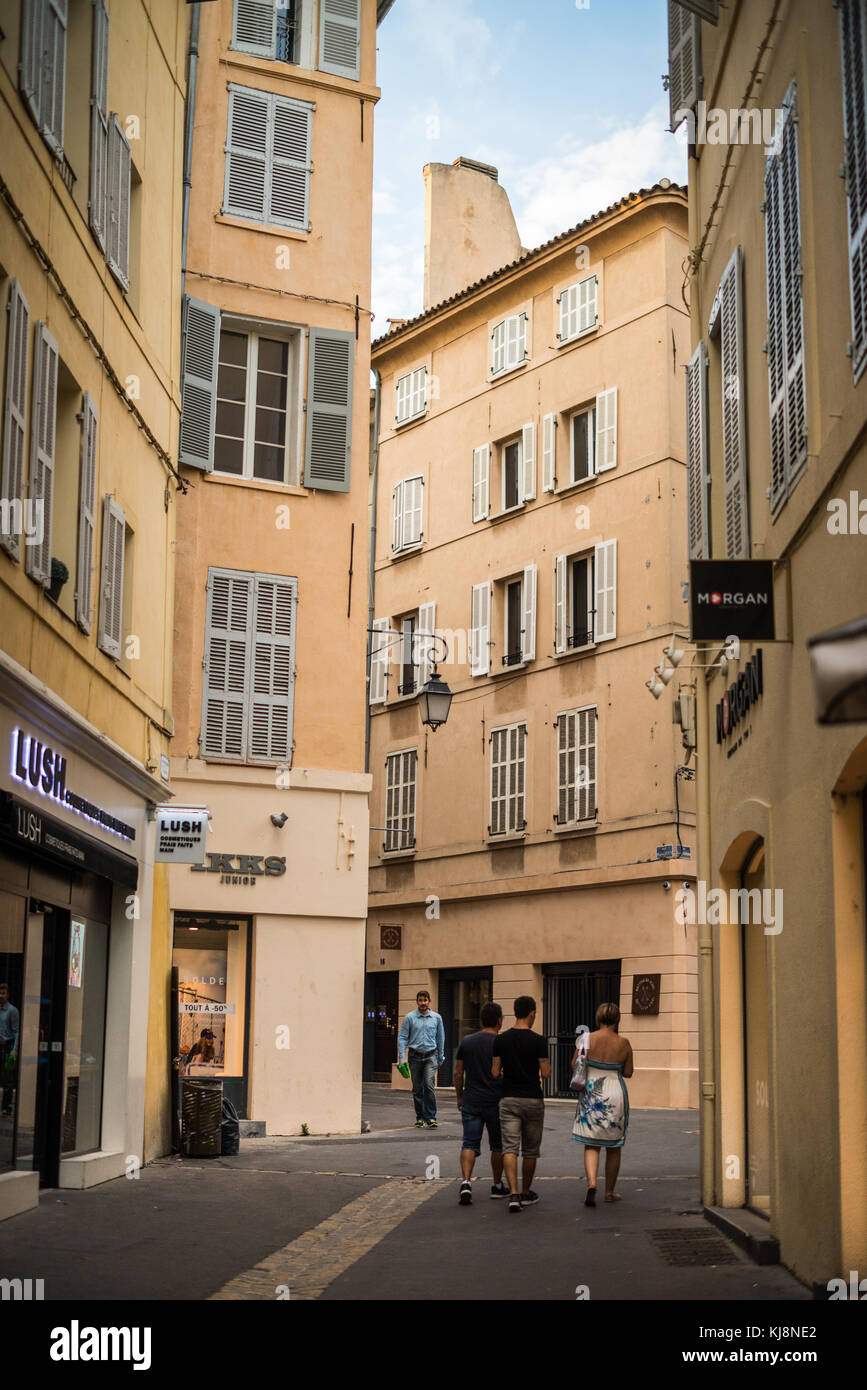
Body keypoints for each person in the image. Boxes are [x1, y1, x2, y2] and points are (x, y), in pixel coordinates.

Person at [492, 995, 551, 1212]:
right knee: (530, 1150)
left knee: (509, 1147)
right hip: (533, 1098)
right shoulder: (539, 1041)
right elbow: (545, 1073)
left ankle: (513, 1194)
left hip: (508, 1098)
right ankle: (526, 1192)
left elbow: (495, 1072)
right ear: (532, 1013)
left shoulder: (501, 1039)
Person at [572, 1001, 633, 1206]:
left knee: (592, 1142)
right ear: (617, 1019)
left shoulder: (586, 1038)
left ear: (598, 1018)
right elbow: (628, 1072)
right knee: (614, 1145)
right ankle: (609, 1191)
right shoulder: (624, 1043)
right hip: (615, 1091)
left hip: (591, 1091)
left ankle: (591, 1183)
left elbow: (574, 1064)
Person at [454, 1001, 508, 1205]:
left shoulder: (467, 1041)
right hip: (496, 1101)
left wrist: (460, 1096)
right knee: (498, 1145)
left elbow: (458, 1072)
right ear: (499, 1021)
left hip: (472, 1099)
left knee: (469, 1142)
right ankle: (496, 1184)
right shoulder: (502, 1043)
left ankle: (466, 1182)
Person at [397, 990, 444, 1128]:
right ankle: (420, 1118)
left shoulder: (437, 1018)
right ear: (417, 1002)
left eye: (425, 1000)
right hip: (414, 1056)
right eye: (420, 1000)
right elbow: (402, 1038)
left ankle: (431, 1117)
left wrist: (440, 1058)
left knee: (429, 1086)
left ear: (429, 1001)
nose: (423, 1003)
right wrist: (402, 1058)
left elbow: (440, 1038)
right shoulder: (410, 1018)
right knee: (417, 1089)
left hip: (431, 1056)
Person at [0, 983, 19, 1116]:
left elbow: (17, 1031)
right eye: (0, 993)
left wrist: (14, 1051)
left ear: (7, 995)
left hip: (8, 1047)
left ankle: (6, 1108)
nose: (1, 996)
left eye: (3, 993)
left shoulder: (12, 1011)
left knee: (7, 1079)